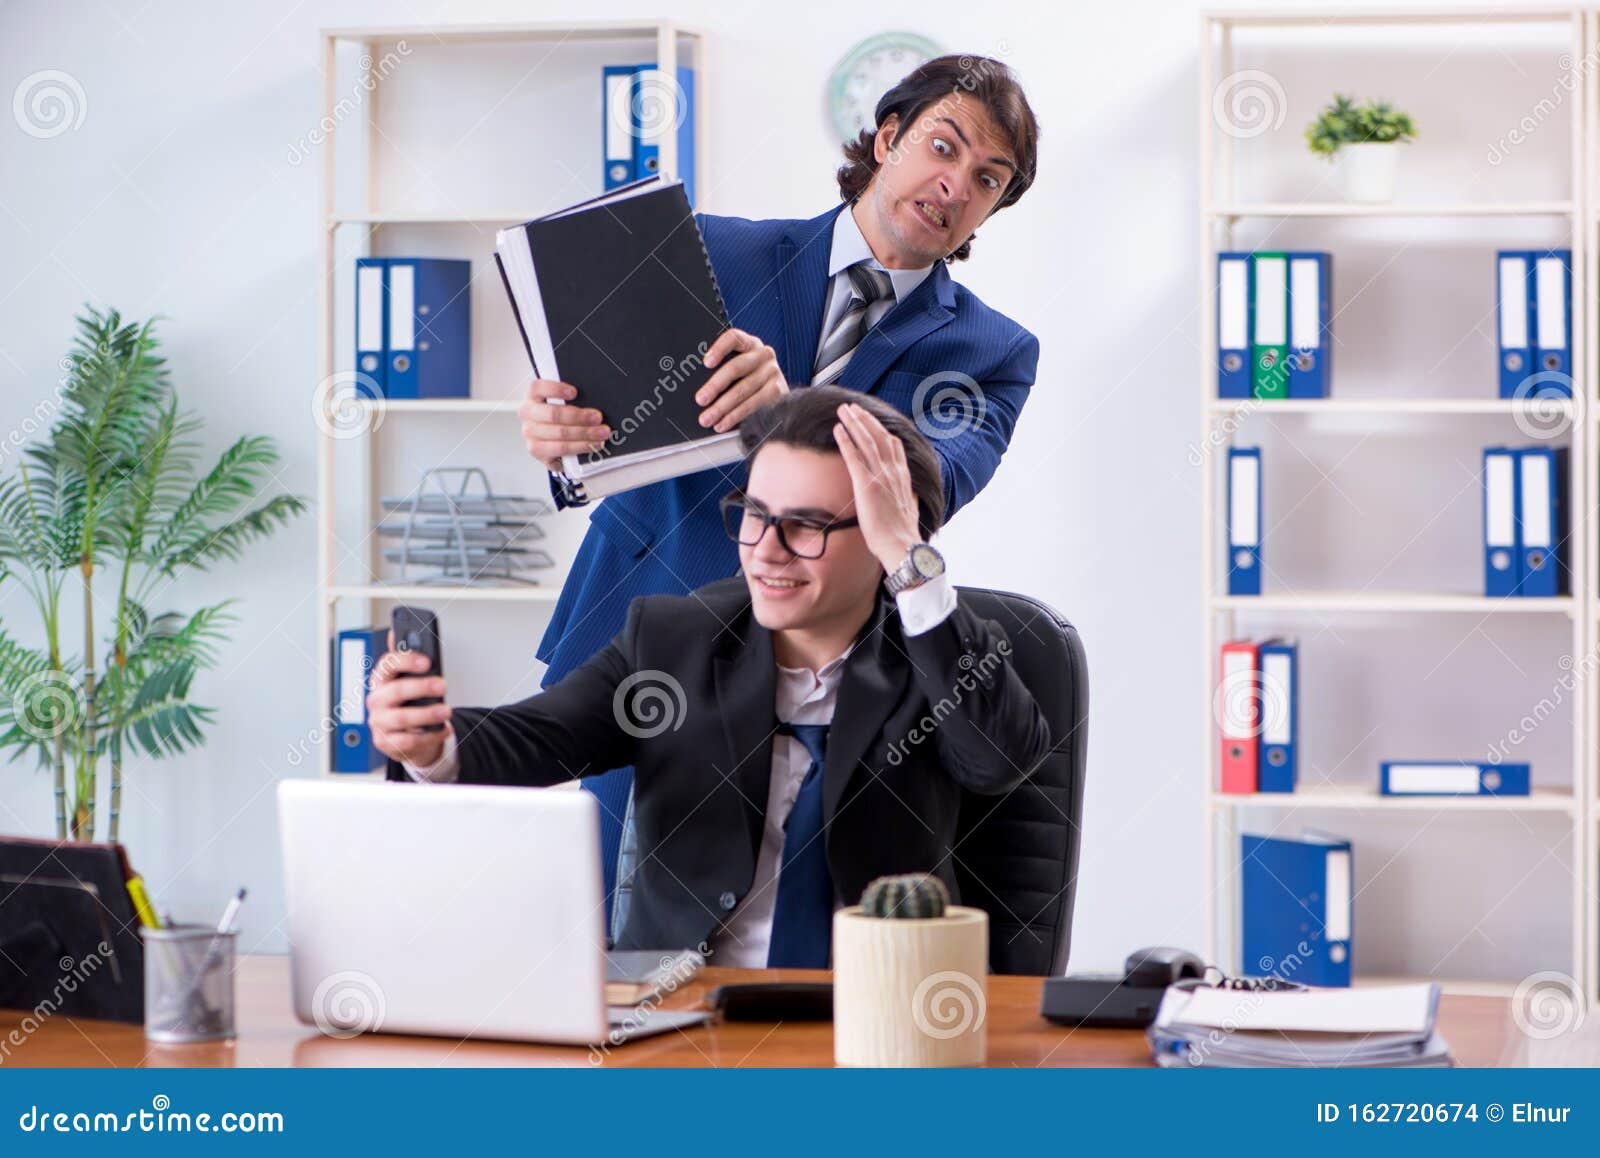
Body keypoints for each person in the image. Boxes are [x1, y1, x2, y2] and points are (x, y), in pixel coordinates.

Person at [516, 55, 1044, 890]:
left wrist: (786, 410)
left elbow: (919, 491)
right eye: (943, 149)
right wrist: (564, 438)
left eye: (988, 178)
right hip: (635, 652)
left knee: (767, 963)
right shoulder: (708, 251)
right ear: (888, 136)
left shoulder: (989, 352)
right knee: (605, 954)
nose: (956, 185)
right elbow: (608, 432)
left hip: (817, 689)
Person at [369, 387, 1051, 967]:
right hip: (684, 1013)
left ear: (884, 539)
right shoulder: (676, 639)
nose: (766, 553)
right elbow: (543, 734)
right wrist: (431, 746)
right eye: (754, 517)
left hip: (878, 1013)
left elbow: (995, 761)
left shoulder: (942, 652)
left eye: (807, 527)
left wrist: (911, 556)